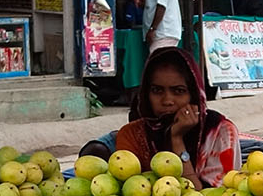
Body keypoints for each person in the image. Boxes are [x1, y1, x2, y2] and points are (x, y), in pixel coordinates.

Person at [80, 46, 238, 187]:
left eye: (178, 91)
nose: (167, 101)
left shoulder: (219, 132)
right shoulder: (133, 135)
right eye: (157, 90)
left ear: (194, 94)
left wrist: (176, 140)